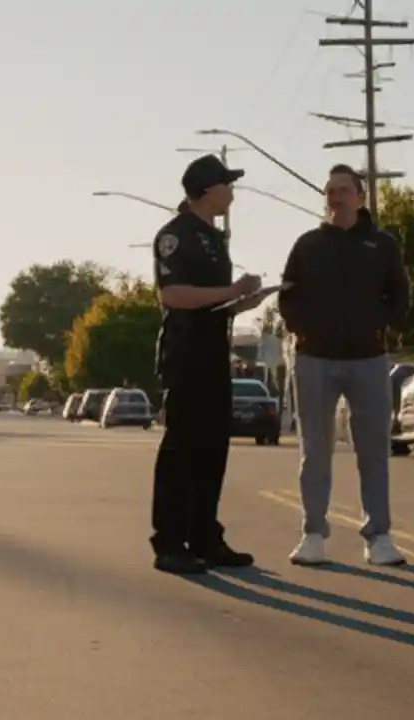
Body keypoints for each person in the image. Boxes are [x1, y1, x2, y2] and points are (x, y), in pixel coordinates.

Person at [278, 164, 411, 567]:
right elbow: (288, 296)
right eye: (329, 191)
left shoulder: (382, 245)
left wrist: (382, 327)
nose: (334, 197)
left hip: (368, 361)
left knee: (372, 451)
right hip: (314, 360)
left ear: (360, 196)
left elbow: (400, 296)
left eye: (342, 190)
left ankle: (378, 537)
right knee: (315, 451)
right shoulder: (308, 245)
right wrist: (303, 330)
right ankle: (313, 534)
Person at [150, 153, 264, 575]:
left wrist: (244, 299)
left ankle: (204, 537)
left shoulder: (215, 239)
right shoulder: (174, 236)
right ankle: (169, 541)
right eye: (226, 184)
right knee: (182, 450)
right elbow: (174, 295)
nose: (232, 190)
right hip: (185, 355)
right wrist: (230, 290)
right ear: (205, 190)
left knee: (213, 449)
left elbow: (216, 300)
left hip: (215, 351)